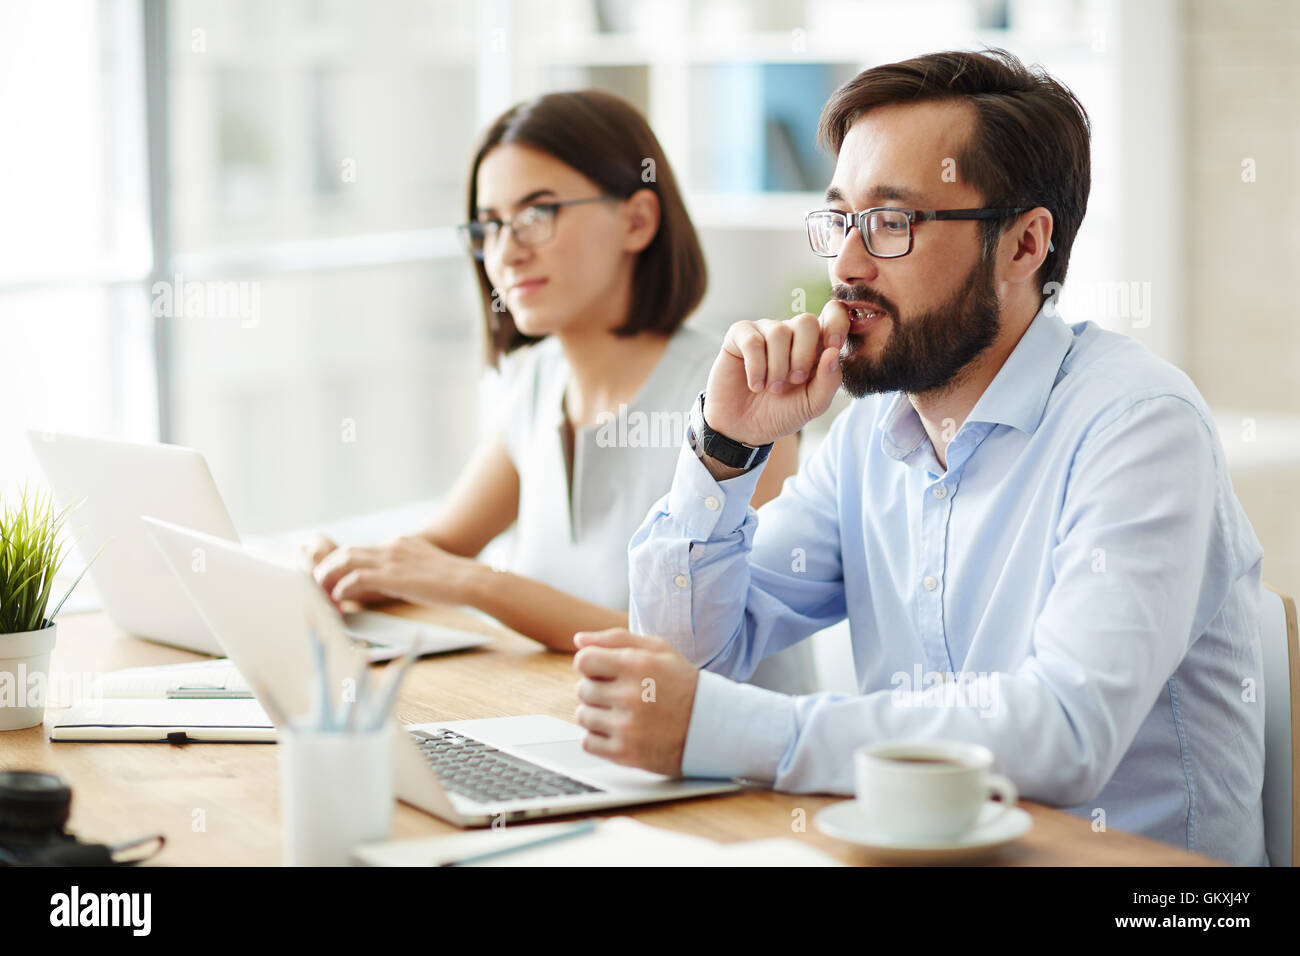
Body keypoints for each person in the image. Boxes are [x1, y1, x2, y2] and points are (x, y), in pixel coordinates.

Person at [570, 49, 1267, 865]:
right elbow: (691, 654)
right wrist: (725, 451)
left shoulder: (1140, 426)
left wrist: (724, 727)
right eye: (841, 221)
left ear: (1023, 244)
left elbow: (1065, 735)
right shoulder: (871, 434)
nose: (845, 266)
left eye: (891, 223)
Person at [301, 90, 814, 693]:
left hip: (733, 764)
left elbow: (700, 647)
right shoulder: (536, 381)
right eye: (489, 226)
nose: (506, 251)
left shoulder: (742, 397)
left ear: (637, 220)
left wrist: (483, 585)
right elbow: (444, 546)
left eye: (537, 214)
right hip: (583, 732)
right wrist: (350, 566)